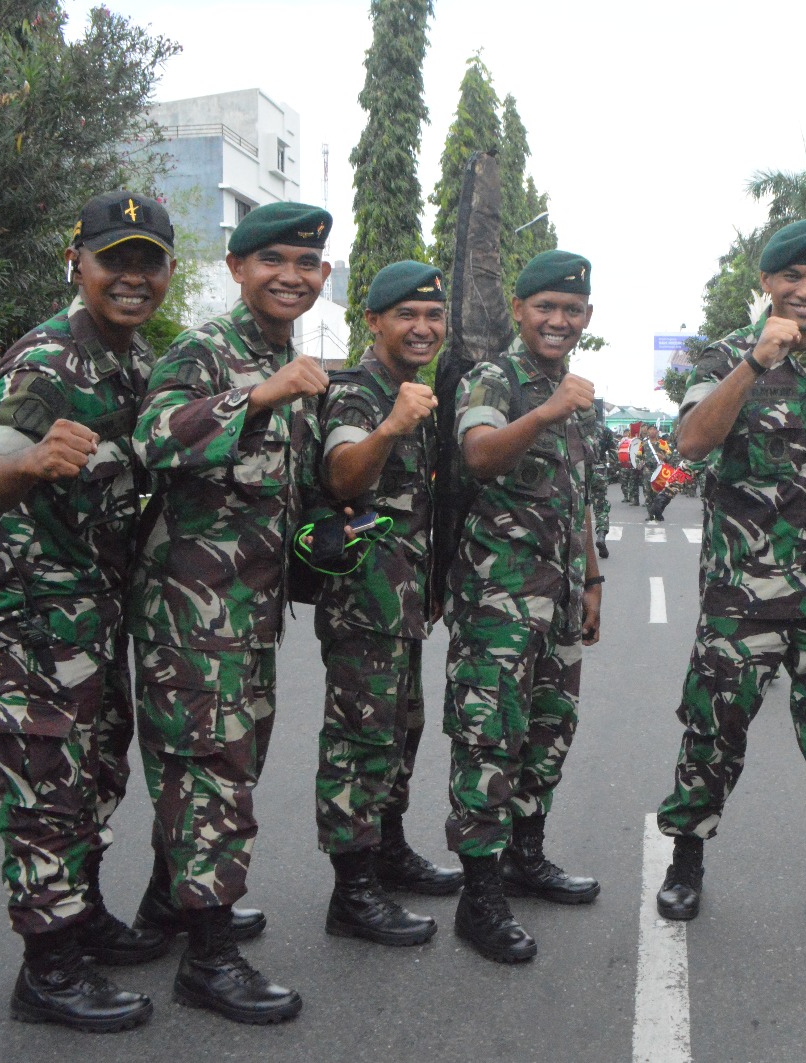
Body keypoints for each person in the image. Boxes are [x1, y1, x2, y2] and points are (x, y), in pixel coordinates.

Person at [0, 191, 178, 1031]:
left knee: (99, 760)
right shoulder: (46, 359)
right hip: (31, 601)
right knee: (48, 771)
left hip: (89, 603)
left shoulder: (129, 358)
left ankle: (77, 915)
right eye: (112, 259)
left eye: (146, 260)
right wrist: (36, 460)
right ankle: (46, 965)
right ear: (76, 263)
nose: (130, 276)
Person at [129, 201, 335, 1025]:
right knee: (212, 772)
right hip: (190, 614)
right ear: (237, 269)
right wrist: (257, 396)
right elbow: (152, 436)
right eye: (273, 260)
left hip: (246, 616)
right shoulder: (209, 353)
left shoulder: (292, 361)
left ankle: (168, 906)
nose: (292, 275)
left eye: (307, 264)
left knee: (214, 766)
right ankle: (208, 960)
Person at [652, 219, 806, 929]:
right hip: (744, 592)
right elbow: (691, 442)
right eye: (792, 277)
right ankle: (686, 858)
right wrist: (753, 364)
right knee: (714, 729)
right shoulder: (721, 355)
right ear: (767, 283)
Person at [443, 249, 604, 964]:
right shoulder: (496, 378)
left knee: (548, 734)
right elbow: (478, 455)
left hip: (560, 599)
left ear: (588, 318)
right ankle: (480, 898)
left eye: (572, 310)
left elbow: (580, 501)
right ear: (519, 310)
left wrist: (593, 580)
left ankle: (525, 857)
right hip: (498, 603)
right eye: (546, 306)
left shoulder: (573, 391)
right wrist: (543, 411)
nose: (558, 319)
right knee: (488, 743)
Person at [311, 260, 463, 950]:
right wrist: (392, 424)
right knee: (359, 741)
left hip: (400, 603)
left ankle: (389, 847)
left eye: (433, 316)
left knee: (402, 730)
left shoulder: (411, 391)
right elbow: (343, 473)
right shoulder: (359, 394)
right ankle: (353, 889)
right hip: (361, 604)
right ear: (372, 321)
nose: (423, 327)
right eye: (407, 314)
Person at [592, 416, 615, 557]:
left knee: (575, 508)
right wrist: (612, 471)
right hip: (598, 470)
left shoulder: (572, 426)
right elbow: (613, 454)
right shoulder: (604, 430)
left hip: (577, 472)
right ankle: (601, 535)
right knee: (600, 508)